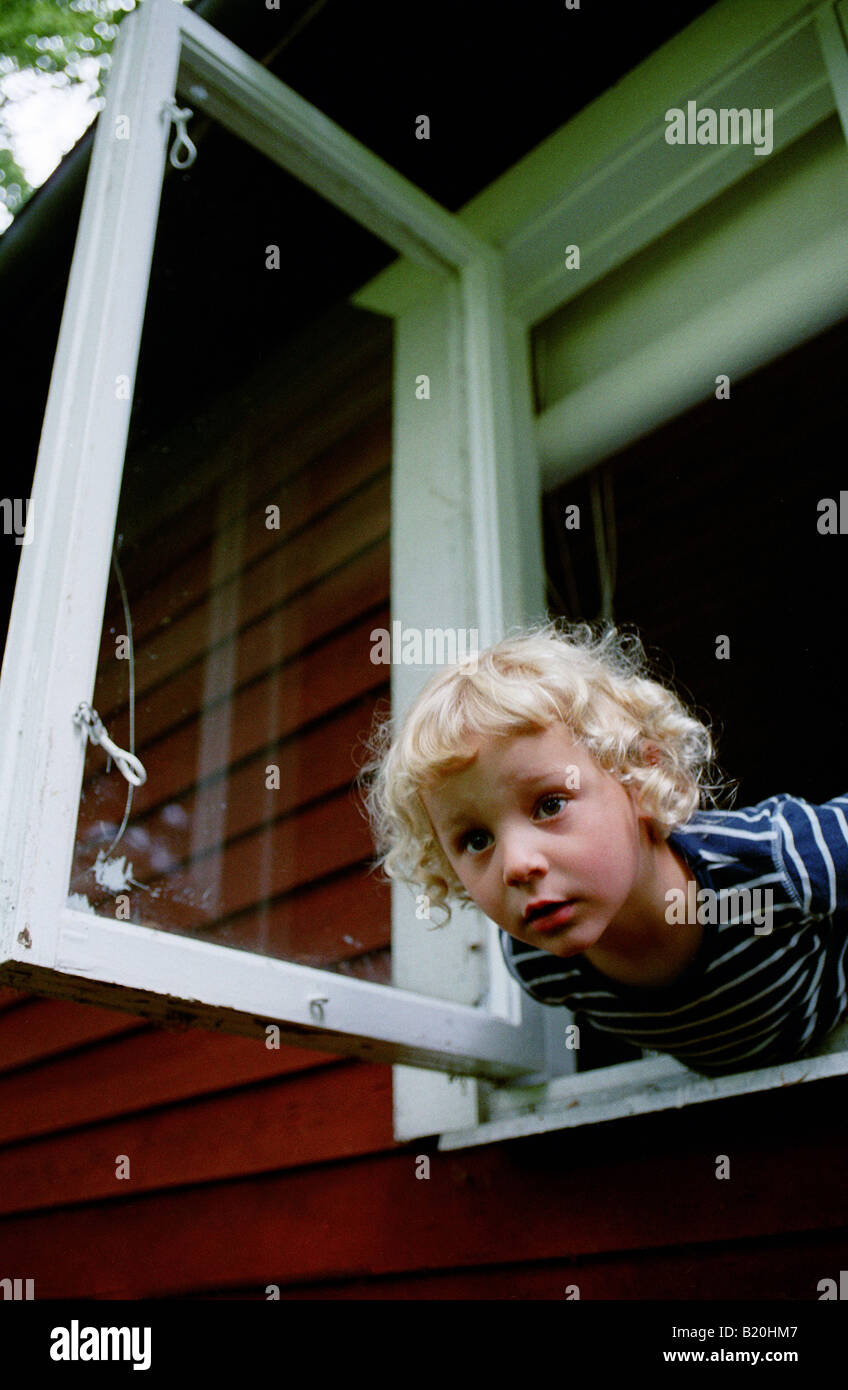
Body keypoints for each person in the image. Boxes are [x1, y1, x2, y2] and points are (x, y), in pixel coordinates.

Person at [357, 619, 848, 1077]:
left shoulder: (774, 861)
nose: (519, 864)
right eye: (476, 840)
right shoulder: (541, 965)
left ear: (636, 778)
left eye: (550, 805)